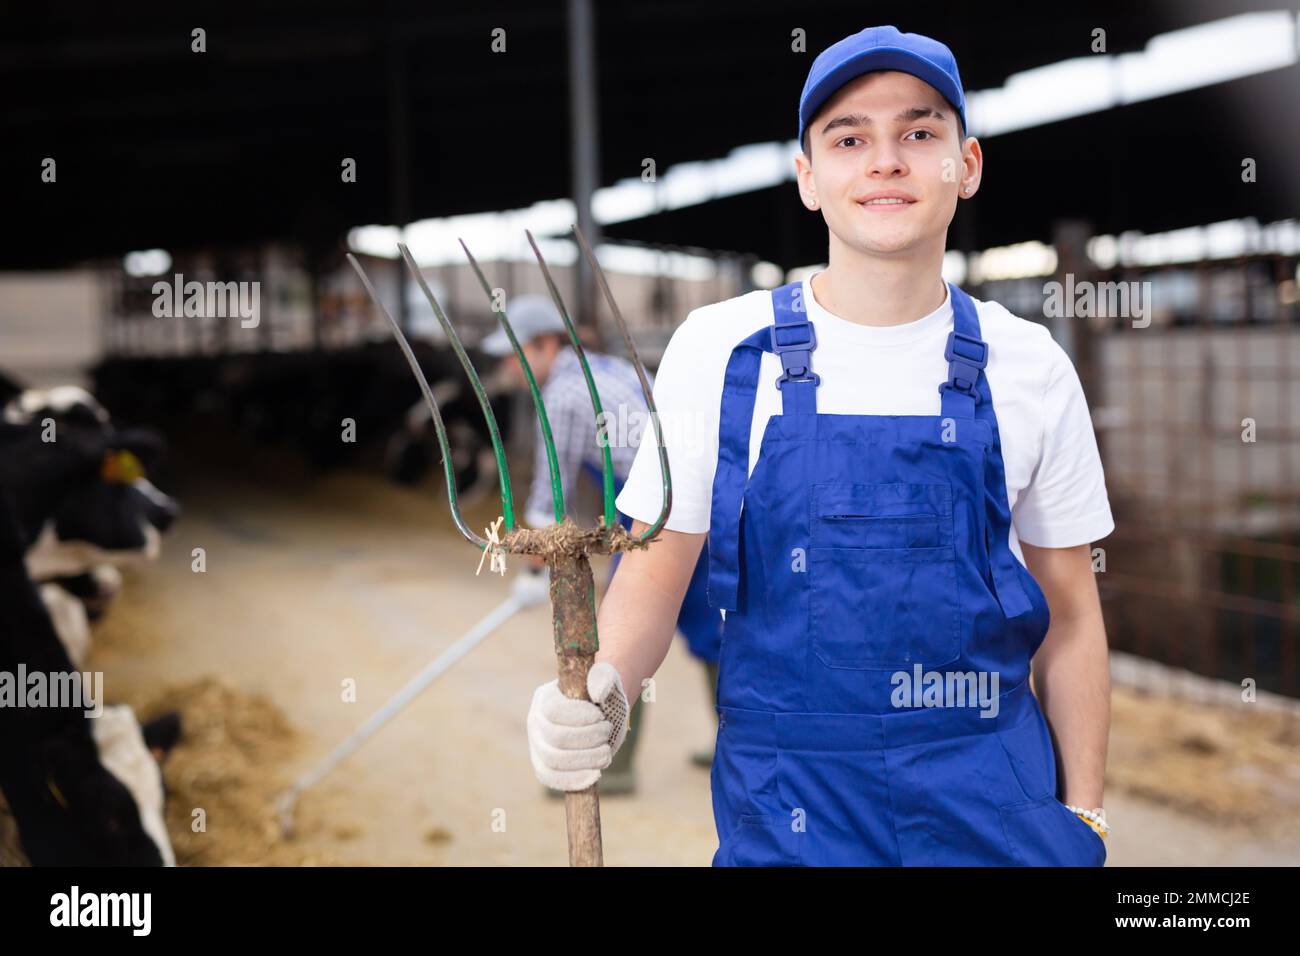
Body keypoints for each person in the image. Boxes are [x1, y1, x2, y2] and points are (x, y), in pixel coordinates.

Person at [526, 25, 1115, 865]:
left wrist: (1084, 818)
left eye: (919, 132)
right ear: (809, 177)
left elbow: (1071, 615)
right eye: (848, 138)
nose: (885, 160)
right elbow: (655, 573)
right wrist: (608, 696)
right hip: (787, 816)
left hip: (992, 810)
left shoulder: (1031, 367)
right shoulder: (720, 351)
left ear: (968, 165)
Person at [481, 296, 722, 795]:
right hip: (695, 496)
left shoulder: (565, 395)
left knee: (624, 620)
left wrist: (532, 570)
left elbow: (552, 494)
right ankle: (731, 744)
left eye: (513, 353)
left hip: (665, 508)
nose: (506, 365)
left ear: (546, 345)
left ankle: (613, 766)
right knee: (710, 624)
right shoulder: (603, 368)